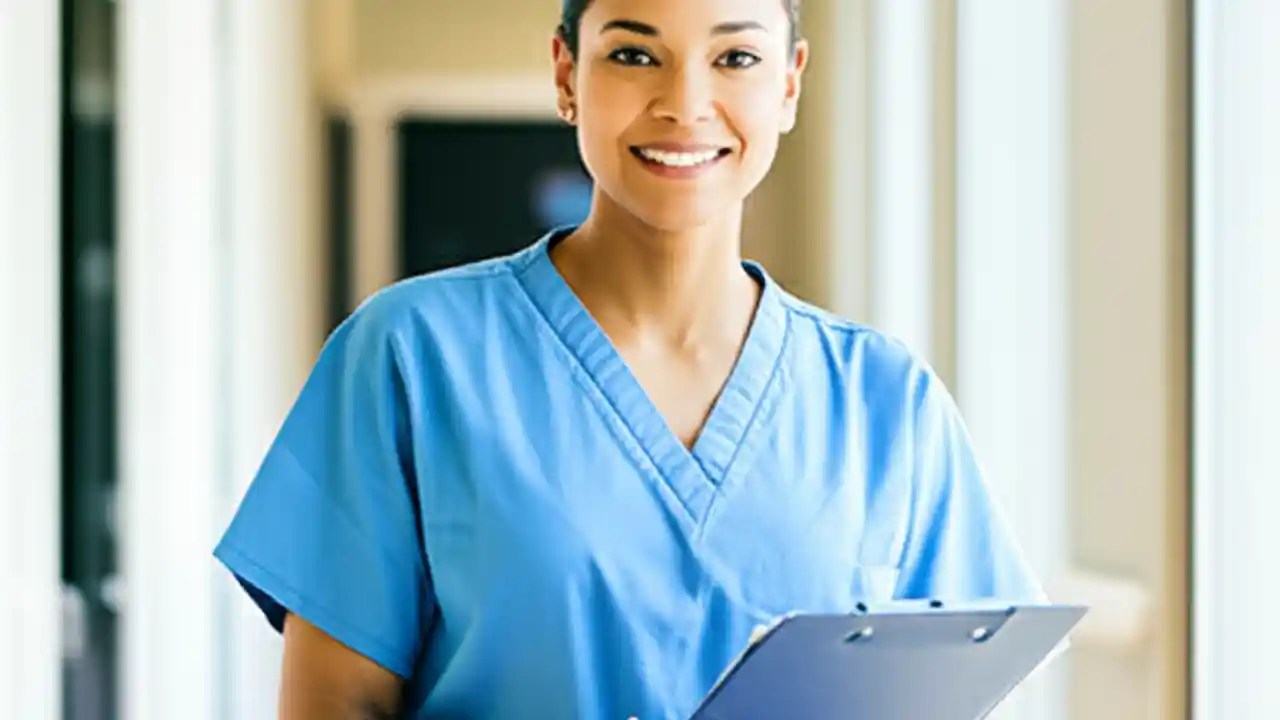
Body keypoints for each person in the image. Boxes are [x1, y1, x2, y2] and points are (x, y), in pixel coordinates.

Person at [214, 0, 1046, 717]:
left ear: (789, 83)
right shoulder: (411, 357)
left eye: (736, 57)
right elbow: (336, 705)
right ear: (567, 74)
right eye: (635, 54)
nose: (685, 104)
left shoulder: (883, 400)